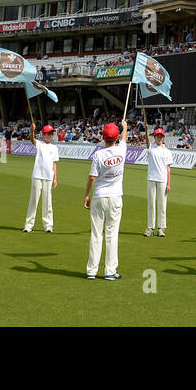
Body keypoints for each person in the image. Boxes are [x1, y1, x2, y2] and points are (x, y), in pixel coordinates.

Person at [84, 120, 128, 280]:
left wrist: (87, 195)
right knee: (112, 235)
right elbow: (124, 138)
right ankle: (110, 271)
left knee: (96, 234)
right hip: (115, 197)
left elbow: (92, 178)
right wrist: (125, 127)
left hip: (99, 197)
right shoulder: (122, 150)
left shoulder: (98, 154)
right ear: (116, 137)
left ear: (103, 137)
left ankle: (92, 270)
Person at [23, 124, 58, 234]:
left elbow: (54, 164)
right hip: (37, 175)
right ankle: (28, 225)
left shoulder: (54, 147)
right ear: (43, 135)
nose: (50, 135)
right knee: (34, 200)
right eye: (48, 133)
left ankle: (48, 225)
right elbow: (32, 139)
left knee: (47, 202)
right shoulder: (39, 144)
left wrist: (55, 178)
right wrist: (32, 130)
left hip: (49, 176)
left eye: (52, 133)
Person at [144, 126, 173, 237]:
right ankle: (150, 228)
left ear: (163, 137)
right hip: (151, 178)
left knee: (162, 205)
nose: (159, 138)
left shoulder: (167, 151)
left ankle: (161, 228)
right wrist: (147, 131)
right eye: (157, 136)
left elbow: (168, 169)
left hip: (162, 180)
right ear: (154, 137)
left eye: (161, 136)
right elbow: (147, 141)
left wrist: (169, 184)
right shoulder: (151, 148)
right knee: (151, 204)